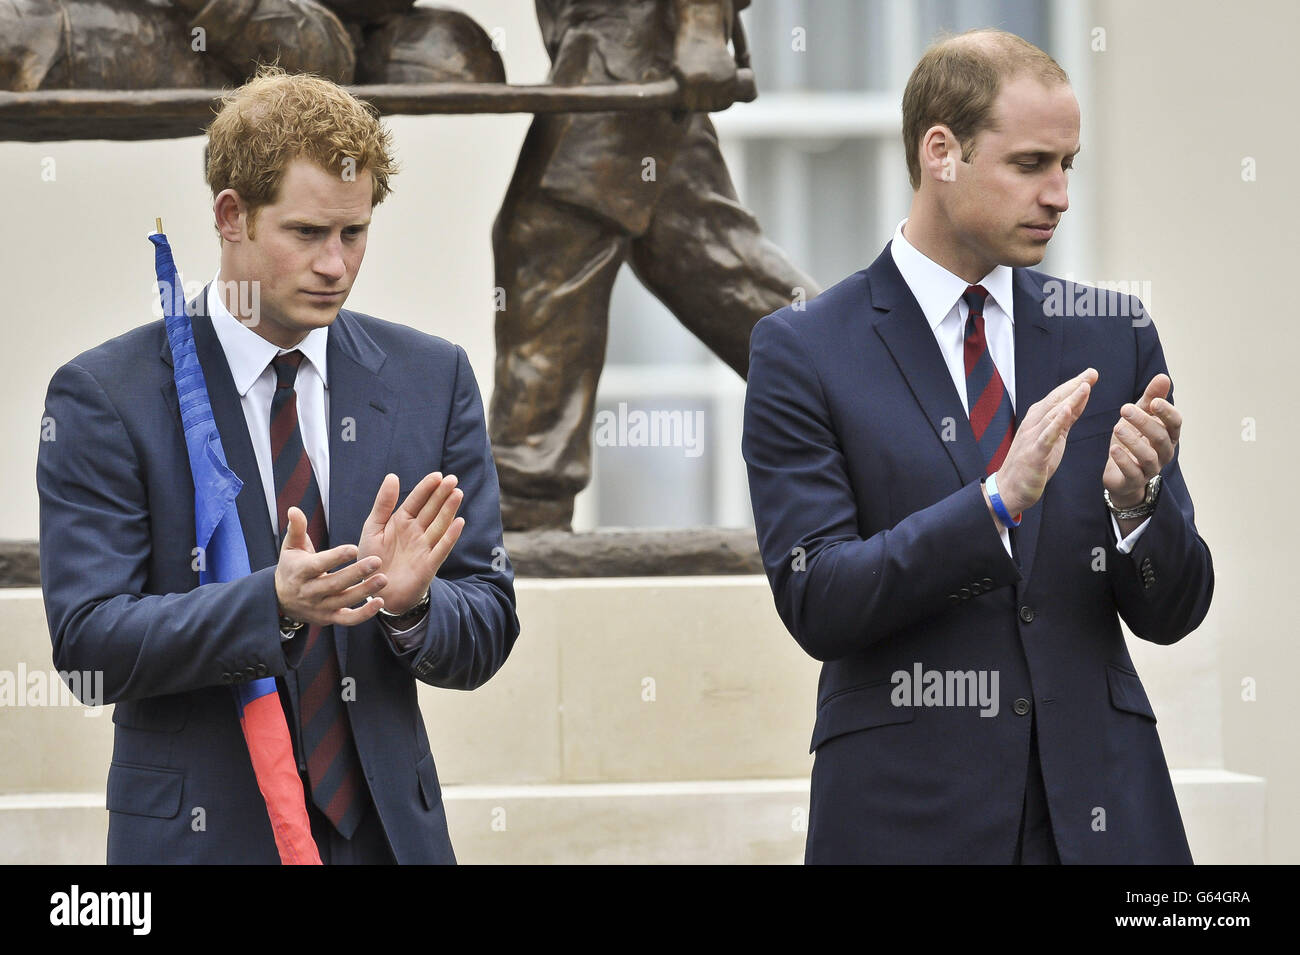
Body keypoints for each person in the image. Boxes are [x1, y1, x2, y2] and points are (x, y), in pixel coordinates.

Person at [742, 29, 1213, 864]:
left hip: (1105, 814)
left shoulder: (1112, 332)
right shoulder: (804, 350)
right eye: (1032, 164)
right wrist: (993, 502)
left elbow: (1173, 611)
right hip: (905, 816)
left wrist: (1139, 510)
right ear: (941, 153)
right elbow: (820, 601)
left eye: (1070, 164)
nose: (1060, 193)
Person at [37, 66, 519, 864]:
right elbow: (90, 645)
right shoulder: (106, 396)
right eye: (306, 233)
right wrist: (275, 605)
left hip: (390, 841)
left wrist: (412, 609)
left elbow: (491, 616)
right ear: (231, 215)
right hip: (206, 840)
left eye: (354, 233)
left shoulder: (432, 379)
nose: (336, 264)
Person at [490, 0, 820, 530]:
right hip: (613, 43)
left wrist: (701, 28)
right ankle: (878, 394)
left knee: (548, 240)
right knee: (702, 251)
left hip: (625, 42)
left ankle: (528, 494)